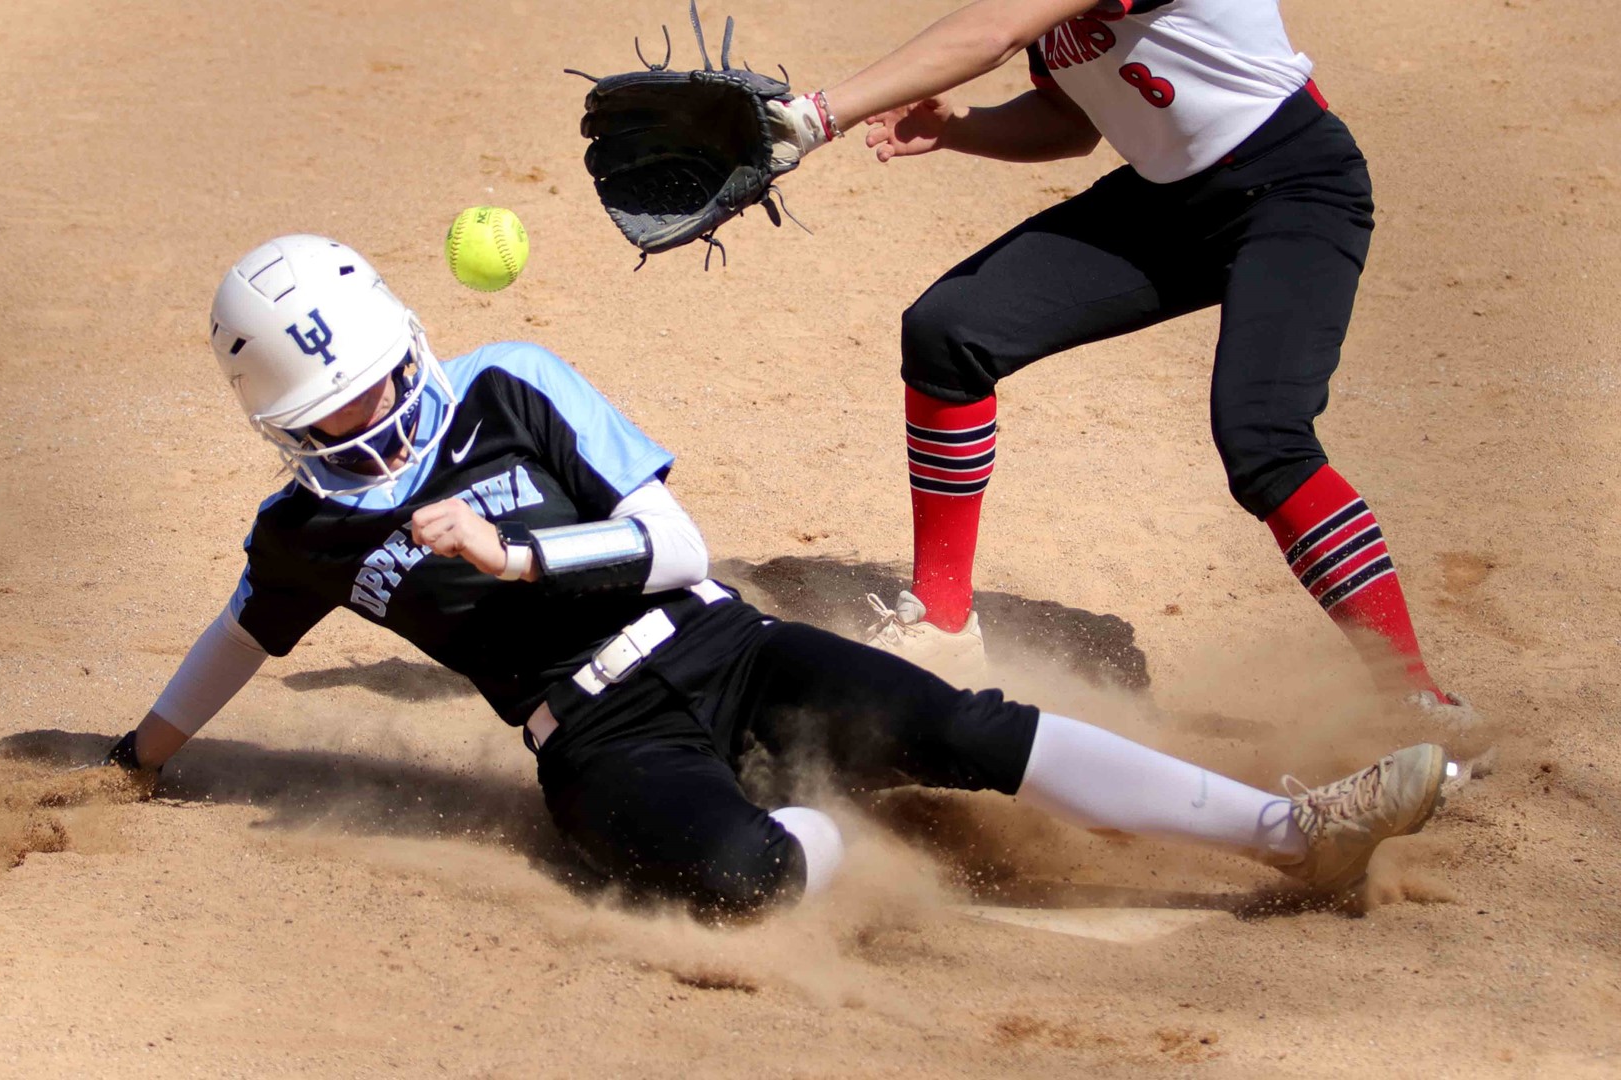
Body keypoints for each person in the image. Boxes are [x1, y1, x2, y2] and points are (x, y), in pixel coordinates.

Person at [94, 232, 1454, 916]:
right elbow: (238, 639)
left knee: (970, 727)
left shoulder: (513, 384)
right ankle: (828, 826)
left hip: (723, 641)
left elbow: (678, 548)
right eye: (340, 406)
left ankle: (1299, 833)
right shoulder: (310, 533)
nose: (380, 409)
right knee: (748, 878)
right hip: (602, 742)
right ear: (282, 423)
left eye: (386, 372)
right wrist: (139, 754)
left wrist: (517, 553)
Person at [761, 0, 1473, 724]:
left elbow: (992, 33)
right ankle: (942, 623)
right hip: (1171, 206)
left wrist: (816, 116)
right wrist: (960, 129)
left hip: (1295, 192)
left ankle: (1415, 698)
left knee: (1265, 441)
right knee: (951, 331)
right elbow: (1069, 124)